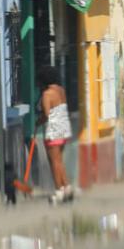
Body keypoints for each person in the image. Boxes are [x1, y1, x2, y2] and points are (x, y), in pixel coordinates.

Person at [37, 66, 73, 204]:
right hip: (64, 128)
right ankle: (67, 188)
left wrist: (38, 122)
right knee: (59, 161)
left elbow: (47, 115)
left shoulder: (47, 94)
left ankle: (59, 191)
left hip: (53, 130)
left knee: (54, 162)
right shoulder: (61, 90)